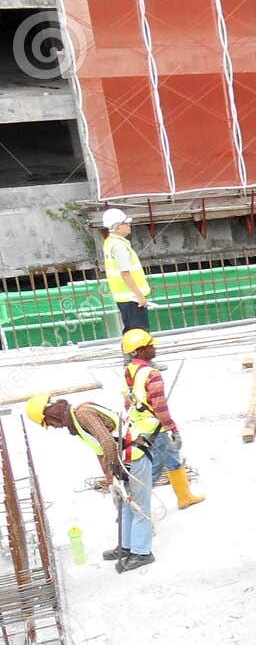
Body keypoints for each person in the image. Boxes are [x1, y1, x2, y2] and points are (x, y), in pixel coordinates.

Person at [23, 392, 146, 564]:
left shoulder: (83, 415)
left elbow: (108, 443)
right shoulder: (75, 421)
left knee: (139, 506)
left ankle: (142, 553)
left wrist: (114, 473)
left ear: (52, 414)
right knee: (124, 506)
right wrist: (110, 480)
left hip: (137, 456)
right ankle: (126, 546)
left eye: (49, 423)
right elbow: (100, 449)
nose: (53, 427)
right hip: (125, 460)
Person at [121, 328, 204, 572]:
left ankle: (184, 496)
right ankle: (139, 519)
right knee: (151, 472)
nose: (154, 347)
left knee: (172, 458)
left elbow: (128, 400)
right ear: (139, 350)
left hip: (140, 426)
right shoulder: (152, 374)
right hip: (153, 430)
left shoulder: (130, 370)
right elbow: (160, 406)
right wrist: (173, 428)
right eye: (150, 345)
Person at [102, 208, 153, 332]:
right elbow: (125, 274)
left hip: (125, 297)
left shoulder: (110, 242)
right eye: (126, 223)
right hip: (132, 298)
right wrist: (139, 296)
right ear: (118, 227)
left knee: (131, 331)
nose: (129, 225)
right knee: (139, 333)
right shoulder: (119, 247)